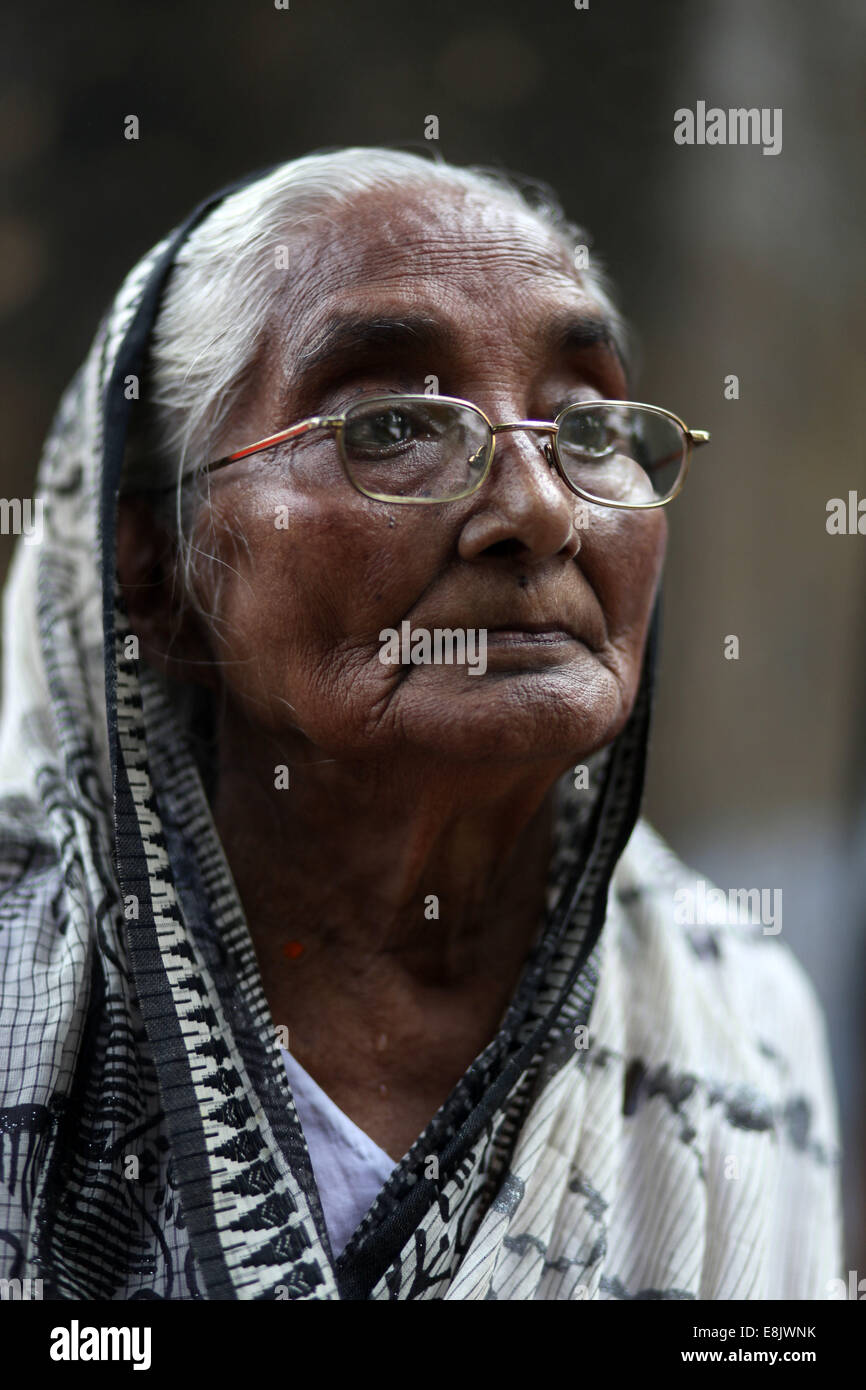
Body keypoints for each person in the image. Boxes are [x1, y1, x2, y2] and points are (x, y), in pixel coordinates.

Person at [0, 147, 842, 1300]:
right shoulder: (21, 990)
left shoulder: (736, 1014)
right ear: (151, 569)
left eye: (588, 427)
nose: (541, 511)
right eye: (392, 424)